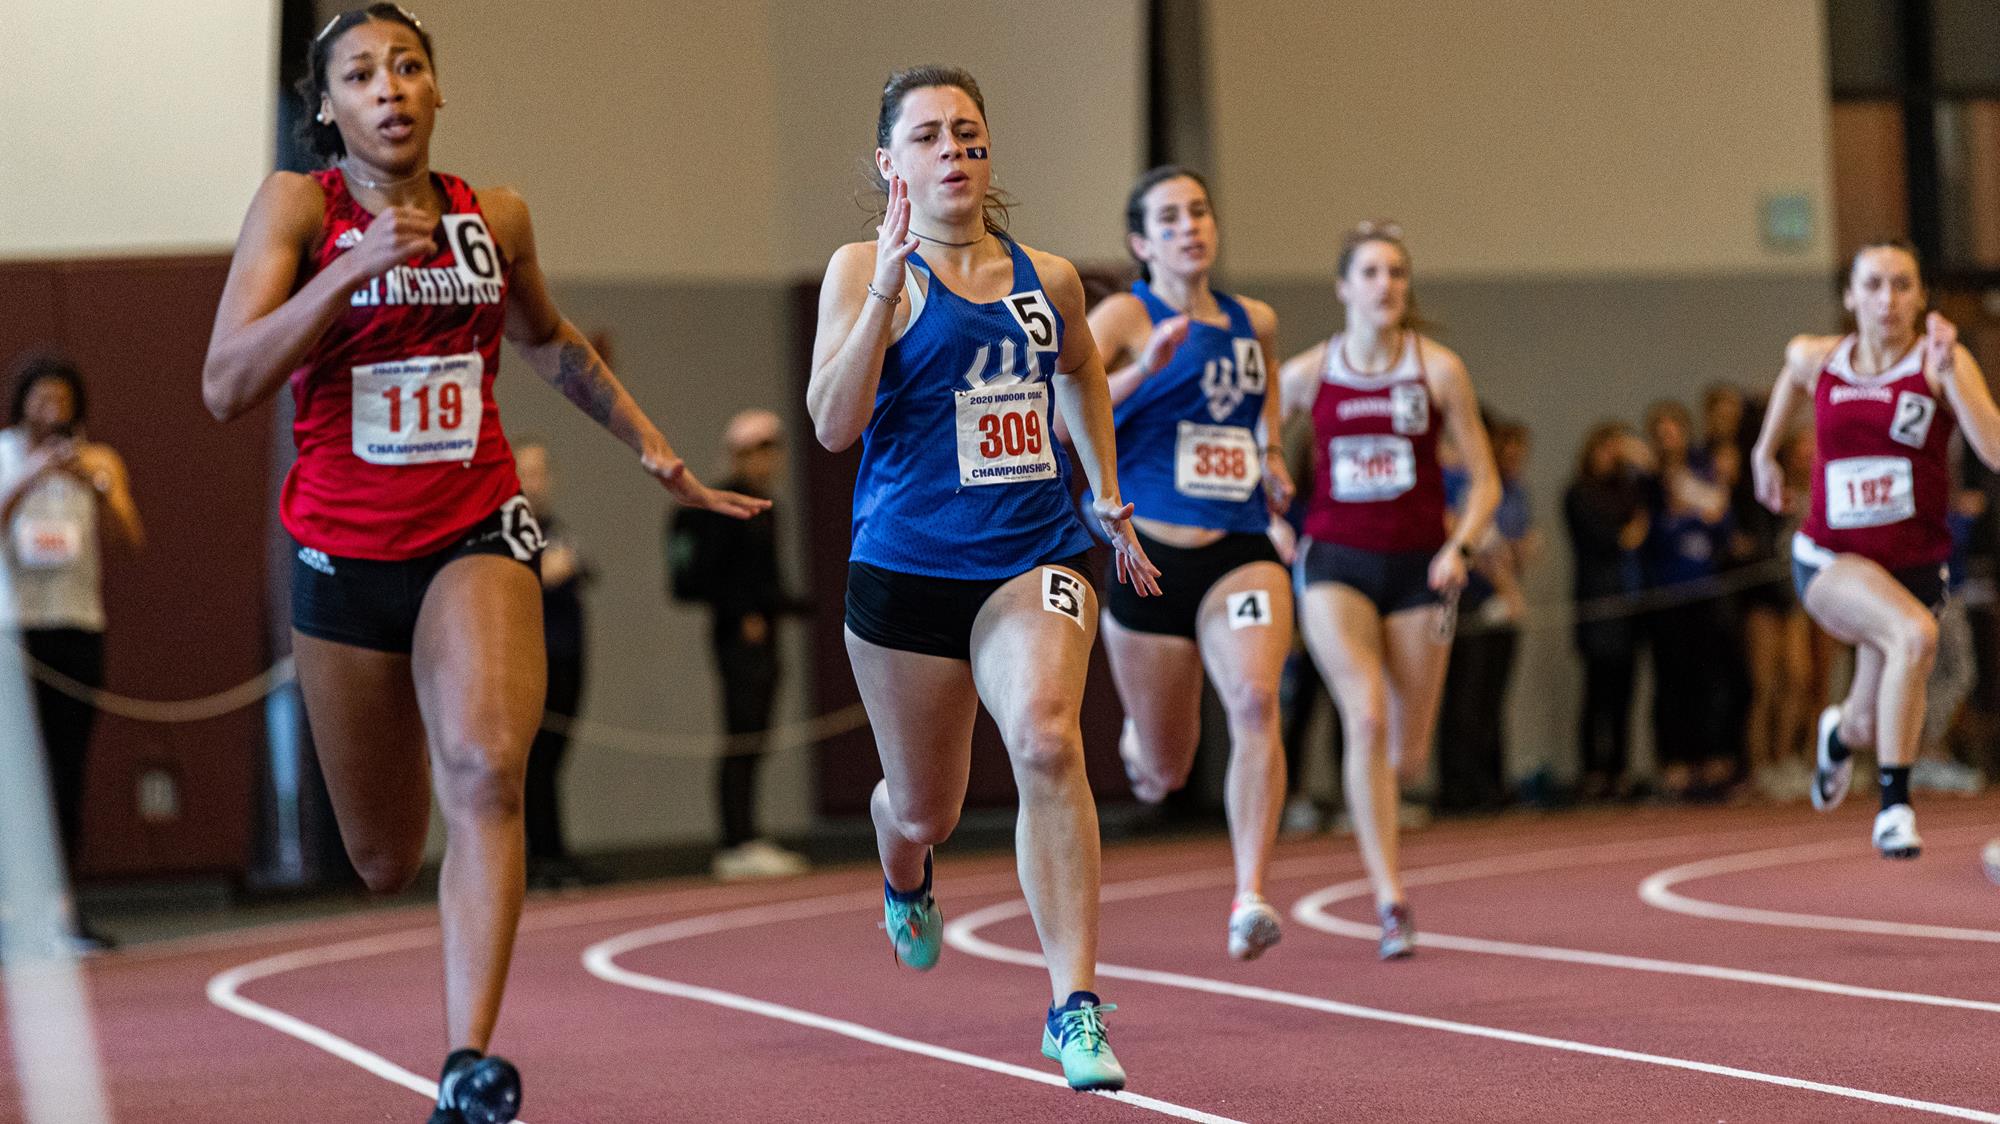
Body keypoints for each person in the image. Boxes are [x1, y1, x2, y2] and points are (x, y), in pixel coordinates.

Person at [202, 8, 765, 1121]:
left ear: (437, 90)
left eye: (407, 66)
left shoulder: (491, 216)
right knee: (379, 852)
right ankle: (436, 954)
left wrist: (656, 450)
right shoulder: (296, 207)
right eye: (360, 75)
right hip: (342, 551)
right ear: (328, 107)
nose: (389, 88)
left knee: (485, 769)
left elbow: (549, 340)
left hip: (477, 527)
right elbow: (225, 383)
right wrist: (342, 274)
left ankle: (466, 1061)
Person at [807, 66, 1157, 1091]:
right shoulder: (859, 270)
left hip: (1032, 553)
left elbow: (1082, 369)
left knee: (1049, 738)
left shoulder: (1044, 278)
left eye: (968, 133)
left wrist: (1102, 487)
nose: (952, 150)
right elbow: (832, 423)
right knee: (928, 806)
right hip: (904, 570)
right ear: (890, 163)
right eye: (927, 136)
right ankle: (901, 861)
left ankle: (1073, 1004)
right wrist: (884, 280)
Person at [1076, 165, 1292, 959]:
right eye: (1168, 218)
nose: (1189, 226)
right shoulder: (1125, 315)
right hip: (1151, 557)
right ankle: (1142, 743)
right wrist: (1146, 367)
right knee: (1167, 769)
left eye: (1199, 211)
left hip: (1240, 548)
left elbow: (1263, 403)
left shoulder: (1254, 320)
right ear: (1141, 242)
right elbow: (1066, 420)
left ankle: (1251, 894)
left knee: (1255, 697)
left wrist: (1270, 456)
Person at [1278, 221, 1498, 959]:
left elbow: (1487, 481)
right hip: (1335, 562)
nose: (1385, 286)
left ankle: (1386, 825)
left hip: (1418, 570)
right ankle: (1390, 899)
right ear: (1344, 287)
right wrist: (1270, 521)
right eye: (1370, 273)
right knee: (1365, 719)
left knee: (1405, 757)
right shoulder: (1309, 375)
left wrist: (1460, 546)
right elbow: (1250, 450)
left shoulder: (1437, 370)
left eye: (1397, 274)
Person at [1750, 239, 2000, 858]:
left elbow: (1994, 451)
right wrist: (1763, 450)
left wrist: (1951, 377)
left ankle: (1838, 738)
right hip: (1830, 559)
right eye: (1873, 284)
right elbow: (1791, 368)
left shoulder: (1940, 362)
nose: (1887, 299)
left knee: (1867, 718)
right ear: (1850, 296)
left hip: (1911, 568)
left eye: (1901, 284)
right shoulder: (1822, 357)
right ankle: (1894, 807)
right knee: (1914, 636)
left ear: (1920, 296)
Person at [0, 352, 144, 952]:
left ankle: (62, 911)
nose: (51, 408)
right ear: (22, 401)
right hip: (14, 629)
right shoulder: (5, 454)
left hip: (77, 625)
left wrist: (97, 486)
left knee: (66, 769)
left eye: (62, 398)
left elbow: (130, 539)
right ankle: (11, 914)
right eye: (41, 396)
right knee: (13, 773)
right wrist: (32, 476)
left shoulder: (99, 460)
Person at [668, 407, 810, 881]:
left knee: (756, 735)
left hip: (764, 635)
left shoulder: (769, 507)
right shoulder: (722, 508)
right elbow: (702, 579)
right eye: (755, 450)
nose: (766, 460)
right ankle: (735, 841)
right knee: (742, 732)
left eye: (772, 449)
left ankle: (746, 835)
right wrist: (745, 611)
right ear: (736, 455)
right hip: (737, 637)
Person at [1642, 400, 1737, 800]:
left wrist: (1701, 511)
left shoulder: (1703, 469)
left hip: (1705, 589)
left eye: (1674, 428)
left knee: (1709, 679)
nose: (1669, 438)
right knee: (1671, 681)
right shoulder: (1648, 482)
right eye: (1660, 432)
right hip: (1666, 592)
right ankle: (1673, 763)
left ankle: (1709, 759)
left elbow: (1723, 525)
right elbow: (1647, 537)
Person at [512, 438, 596, 890]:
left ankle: (553, 851)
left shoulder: (556, 527)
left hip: (568, 653)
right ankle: (541, 857)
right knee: (536, 761)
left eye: (542, 471)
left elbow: (586, 569)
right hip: (532, 657)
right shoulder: (509, 529)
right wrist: (546, 574)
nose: (535, 481)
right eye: (526, 471)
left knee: (553, 760)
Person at [1564, 422, 1651, 801]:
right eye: (1605, 449)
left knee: (1624, 695)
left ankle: (1619, 771)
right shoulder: (1577, 493)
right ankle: (1593, 772)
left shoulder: (1629, 490)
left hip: (1630, 605)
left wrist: (1640, 458)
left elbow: (1652, 500)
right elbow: (1606, 539)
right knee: (1596, 693)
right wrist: (1625, 535)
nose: (1611, 456)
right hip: (1597, 605)